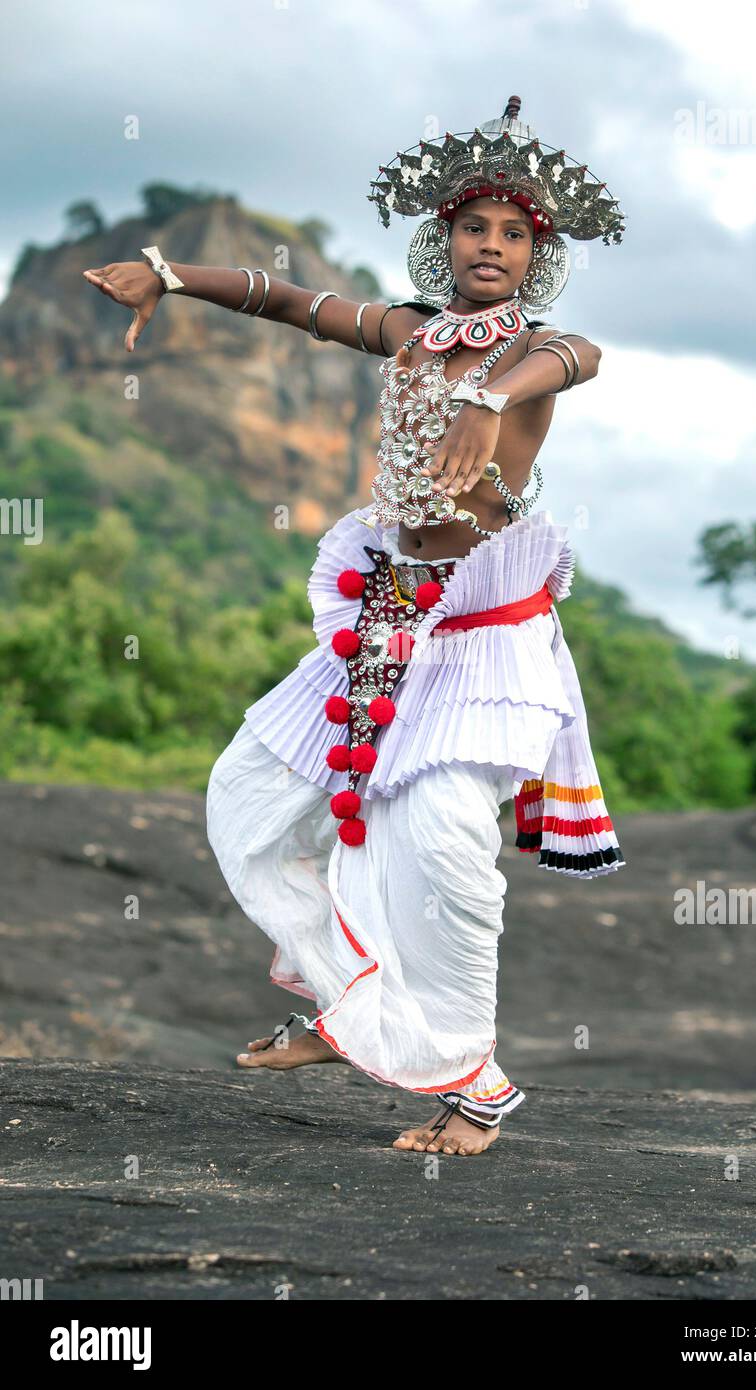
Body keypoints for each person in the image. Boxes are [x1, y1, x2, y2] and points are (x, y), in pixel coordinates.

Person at [83, 96, 627, 1158]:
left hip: (482, 630)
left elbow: (583, 358)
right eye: (475, 226)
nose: (491, 245)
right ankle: (351, 1005)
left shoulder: (538, 349)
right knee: (249, 797)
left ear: (536, 256)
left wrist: (489, 399)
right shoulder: (406, 333)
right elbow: (291, 301)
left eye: (514, 233)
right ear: (444, 239)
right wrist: (174, 274)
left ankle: (474, 1091)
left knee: (442, 848)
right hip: (386, 612)